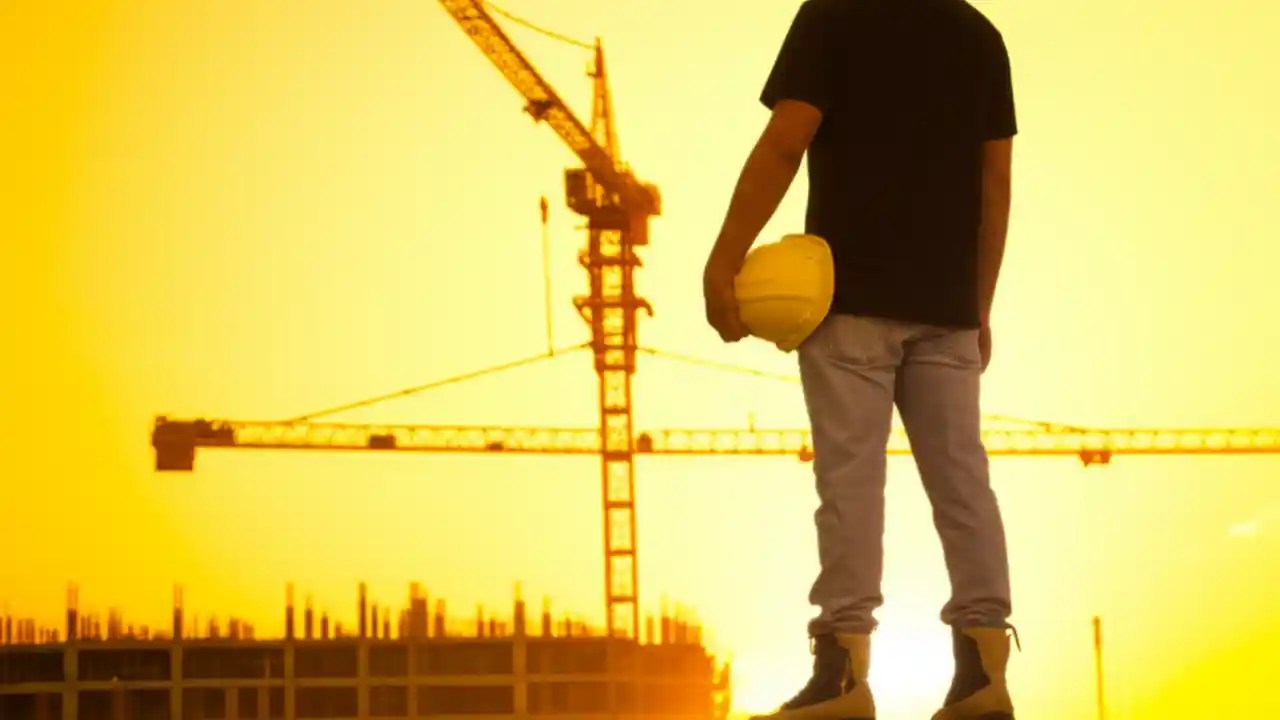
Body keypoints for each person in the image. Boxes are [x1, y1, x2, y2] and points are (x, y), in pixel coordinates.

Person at [701, 0, 1018, 718]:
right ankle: (983, 675)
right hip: (946, 309)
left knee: (850, 485)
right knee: (964, 484)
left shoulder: (834, 15)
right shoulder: (980, 37)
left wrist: (725, 260)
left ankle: (842, 675)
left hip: (850, 302)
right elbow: (994, 186)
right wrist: (980, 304)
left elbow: (786, 142)